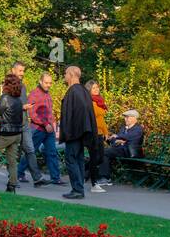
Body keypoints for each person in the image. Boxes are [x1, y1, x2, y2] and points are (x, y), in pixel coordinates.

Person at [19, 71, 63, 185]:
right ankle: (19, 174)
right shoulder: (34, 94)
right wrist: (45, 124)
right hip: (38, 129)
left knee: (52, 152)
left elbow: (49, 113)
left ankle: (55, 178)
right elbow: (32, 113)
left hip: (49, 130)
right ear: (40, 81)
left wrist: (52, 125)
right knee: (30, 152)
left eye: (50, 83)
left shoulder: (48, 94)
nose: (48, 85)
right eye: (46, 83)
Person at [58, 65, 95, 200]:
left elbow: (81, 111)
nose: (64, 76)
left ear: (72, 75)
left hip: (74, 133)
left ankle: (78, 189)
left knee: (71, 159)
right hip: (79, 132)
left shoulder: (75, 91)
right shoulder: (82, 91)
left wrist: (72, 130)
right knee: (78, 159)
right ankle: (78, 189)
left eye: (66, 74)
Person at [9, 61, 45, 185]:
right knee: (14, 152)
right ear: (13, 70)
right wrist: (22, 107)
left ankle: (37, 178)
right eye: (20, 70)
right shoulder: (8, 86)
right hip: (13, 123)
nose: (22, 73)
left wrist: (28, 107)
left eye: (23, 71)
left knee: (30, 149)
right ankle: (12, 180)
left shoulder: (23, 86)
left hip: (24, 123)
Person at [98, 110, 145, 185]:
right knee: (102, 152)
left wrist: (120, 138)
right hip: (119, 149)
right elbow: (114, 140)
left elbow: (131, 137)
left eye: (127, 117)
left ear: (134, 118)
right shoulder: (124, 128)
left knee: (104, 152)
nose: (125, 119)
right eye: (125, 117)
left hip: (129, 151)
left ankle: (105, 178)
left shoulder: (138, 128)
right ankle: (102, 177)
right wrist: (119, 140)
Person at [86, 80, 109, 193]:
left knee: (100, 158)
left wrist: (106, 132)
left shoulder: (100, 101)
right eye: (93, 88)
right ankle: (94, 184)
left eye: (97, 87)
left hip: (100, 133)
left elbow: (101, 120)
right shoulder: (89, 102)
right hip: (92, 133)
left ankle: (84, 171)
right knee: (95, 158)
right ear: (89, 89)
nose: (96, 89)